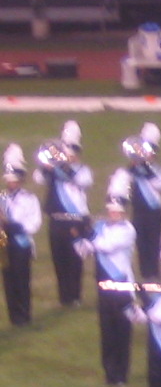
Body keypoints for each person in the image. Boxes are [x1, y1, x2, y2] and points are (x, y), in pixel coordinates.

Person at [75, 170, 137, 386]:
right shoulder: (101, 227)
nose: (113, 214)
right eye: (110, 210)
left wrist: (90, 236)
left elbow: (107, 247)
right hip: (104, 287)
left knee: (122, 331)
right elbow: (84, 251)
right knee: (107, 332)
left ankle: (122, 373)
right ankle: (110, 373)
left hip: (121, 286)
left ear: (123, 211)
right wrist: (80, 236)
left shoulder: (128, 230)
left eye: (117, 211)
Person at [34, 120, 92, 308]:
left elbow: (84, 181)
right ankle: (64, 297)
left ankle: (75, 296)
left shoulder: (82, 171)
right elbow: (38, 178)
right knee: (59, 259)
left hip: (75, 221)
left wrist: (63, 167)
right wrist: (48, 167)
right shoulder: (52, 171)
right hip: (56, 221)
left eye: (72, 152)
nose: (69, 156)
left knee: (75, 261)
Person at [1, 144, 42, 326]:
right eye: (8, 180)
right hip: (4, 243)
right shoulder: (2, 198)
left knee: (21, 279)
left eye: (14, 180)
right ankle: (14, 316)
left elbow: (35, 222)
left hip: (21, 242)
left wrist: (14, 225)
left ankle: (24, 315)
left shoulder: (29, 198)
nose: (11, 183)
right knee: (8, 280)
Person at [124, 123, 161, 280]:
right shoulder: (131, 169)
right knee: (141, 243)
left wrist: (146, 169)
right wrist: (135, 167)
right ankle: (144, 273)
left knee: (154, 243)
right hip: (138, 210)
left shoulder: (158, 170)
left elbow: (160, 184)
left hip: (154, 211)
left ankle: (153, 272)